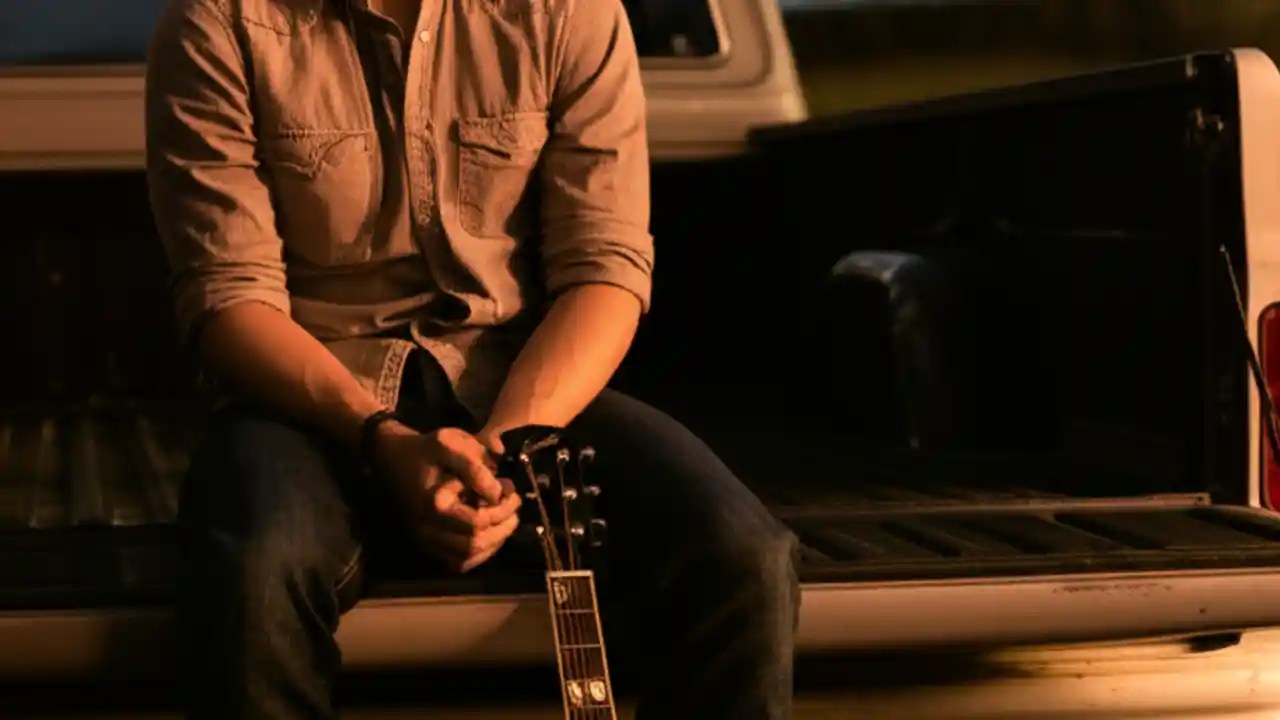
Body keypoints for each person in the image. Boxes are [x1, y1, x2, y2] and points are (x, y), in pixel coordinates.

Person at [144, 0, 800, 717]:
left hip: (526, 388)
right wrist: (383, 441)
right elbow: (229, 300)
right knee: (254, 574)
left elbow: (604, 269)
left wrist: (504, 443)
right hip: (314, 401)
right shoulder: (220, 20)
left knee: (743, 557)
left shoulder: (569, 11)